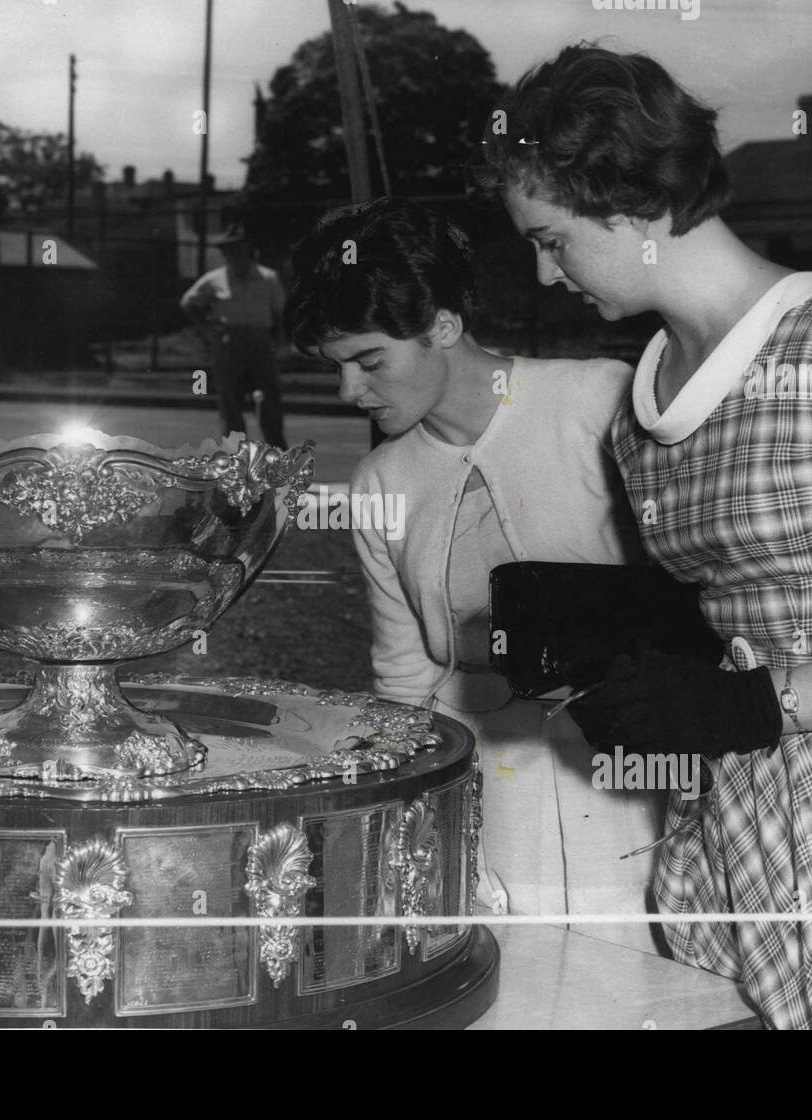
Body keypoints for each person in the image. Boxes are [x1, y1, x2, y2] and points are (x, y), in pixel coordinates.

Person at [474, 43, 812, 1029]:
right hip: (748, 855)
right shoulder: (644, 404)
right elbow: (742, 604)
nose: (545, 277)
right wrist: (615, 643)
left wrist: (747, 702)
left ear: (632, 206)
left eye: (551, 240)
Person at [285, 197, 668, 948]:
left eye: (370, 362)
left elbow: (683, 602)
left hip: (624, 779)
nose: (350, 394)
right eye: (337, 369)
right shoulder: (379, 481)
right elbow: (402, 679)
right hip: (480, 794)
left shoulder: (596, 401)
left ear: (444, 327)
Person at [180, 225, 288, 448]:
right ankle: (236, 458)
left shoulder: (267, 277)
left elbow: (279, 312)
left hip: (260, 341)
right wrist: (208, 327)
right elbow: (188, 302)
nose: (234, 253)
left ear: (247, 248)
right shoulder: (214, 279)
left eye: (238, 247)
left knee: (268, 399)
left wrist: (278, 340)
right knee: (230, 401)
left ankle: (278, 455)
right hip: (229, 342)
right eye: (228, 249)